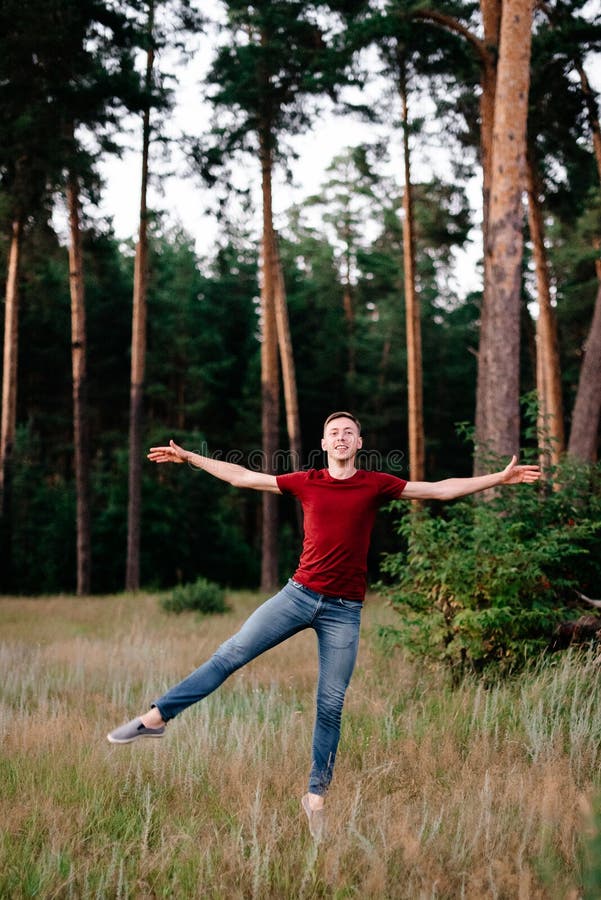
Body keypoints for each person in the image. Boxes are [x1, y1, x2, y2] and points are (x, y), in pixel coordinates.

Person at [107, 411, 540, 839]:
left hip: (344, 611)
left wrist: (496, 479)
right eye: (334, 432)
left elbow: (440, 490)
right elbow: (242, 477)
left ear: (358, 444)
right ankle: (157, 717)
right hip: (298, 596)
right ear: (324, 443)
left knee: (330, 703)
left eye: (348, 432)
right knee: (231, 654)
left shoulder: (376, 484)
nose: (341, 437)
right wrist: (192, 458)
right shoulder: (306, 480)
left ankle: (315, 797)